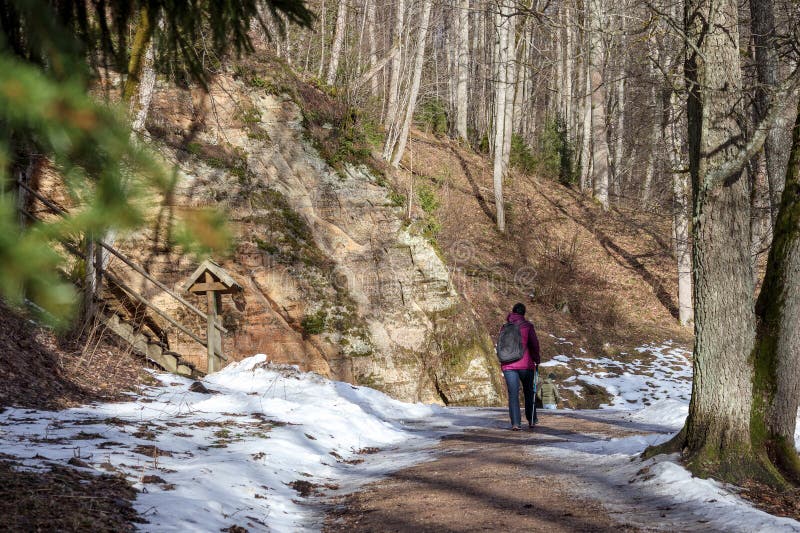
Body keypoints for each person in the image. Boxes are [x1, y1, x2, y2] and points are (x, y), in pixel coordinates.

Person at [499, 303, 541, 430]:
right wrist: (537, 359)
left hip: (508, 365)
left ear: (512, 312)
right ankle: (532, 420)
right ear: (523, 313)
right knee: (529, 392)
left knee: (513, 394)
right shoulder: (527, 326)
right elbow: (534, 344)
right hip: (525, 365)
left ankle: (516, 423)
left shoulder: (505, 327)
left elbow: (501, 345)